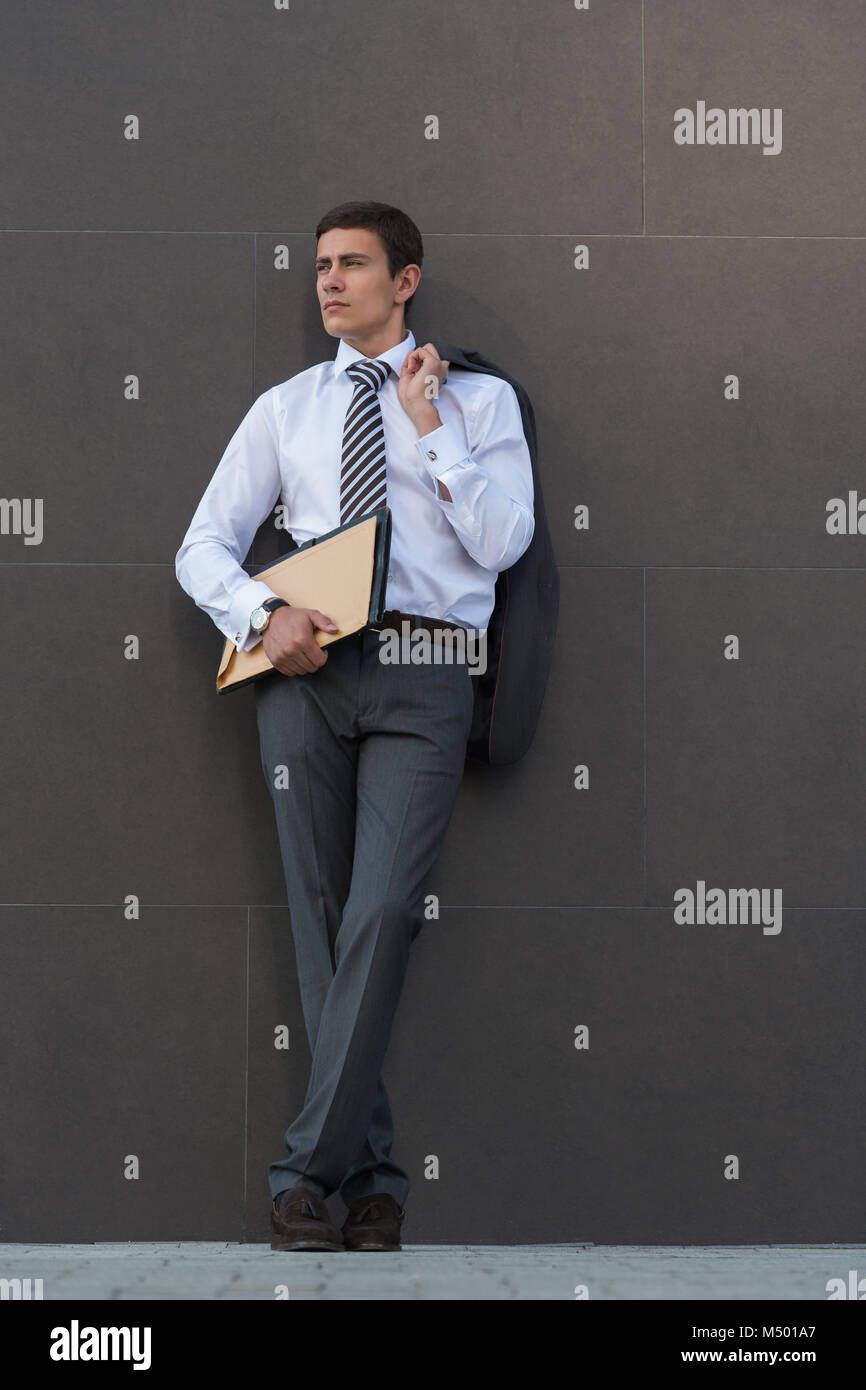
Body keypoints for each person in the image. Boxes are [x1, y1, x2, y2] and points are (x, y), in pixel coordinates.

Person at [175, 200, 535, 1251]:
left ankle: (305, 1172)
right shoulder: (285, 408)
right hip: (306, 675)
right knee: (321, 920)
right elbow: (202, 545)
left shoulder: (479, 402)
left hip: (429, 674)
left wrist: (430, 430)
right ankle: (374, 1179)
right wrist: (259, 614)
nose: (328, 282)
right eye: (320, 266)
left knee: (380, 914)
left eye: (352, 265)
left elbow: (503, 543)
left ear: (405, 280)